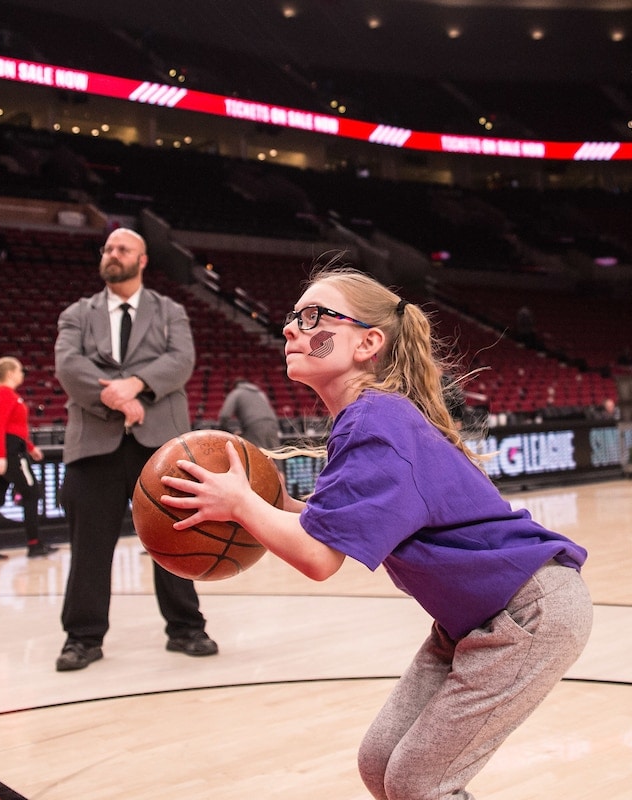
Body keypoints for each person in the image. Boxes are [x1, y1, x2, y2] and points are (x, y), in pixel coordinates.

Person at [158, 266, 592, 800]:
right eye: (293, 317)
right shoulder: (370, 419)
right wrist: (259, 502)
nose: (291, 328)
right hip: (475, 620)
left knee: (419, 781)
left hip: (529, 612)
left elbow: (319, 558)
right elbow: (323, 523)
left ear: (368, 343)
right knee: (380, 761)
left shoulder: (376, 422)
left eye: (313, 316)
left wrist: (241, 503)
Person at [52, 226, 216, 672]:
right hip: (94, 445)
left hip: (159, 445)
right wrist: (117, 398)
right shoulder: (76, 314)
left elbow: (181, 361)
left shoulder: (170, 311)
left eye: (122, 248)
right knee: (89, 546)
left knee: (175, 539)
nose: (112, 254)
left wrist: (137, 386)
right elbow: (68, 365)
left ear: (142, 260)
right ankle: (82, 638)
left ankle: (186, 628)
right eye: (107, 248)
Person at [0, 356, 53, 561]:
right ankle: (34, 544)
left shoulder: (7, 394)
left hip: (10, 448)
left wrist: (30, 447)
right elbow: (0, 427)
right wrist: (1, 456)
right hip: (9, 451)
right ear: (10, 373)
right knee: (31, 493)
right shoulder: (4, 394)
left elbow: (14, 428)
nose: (22, 374)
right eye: (20, 370)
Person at [217, 377, 281, 450]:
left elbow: (224, 415)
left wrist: (225, 430)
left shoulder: (236, 392)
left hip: (254, 425)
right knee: (276, 453)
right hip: (273, 424)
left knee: (257, 454)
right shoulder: (260, 393)